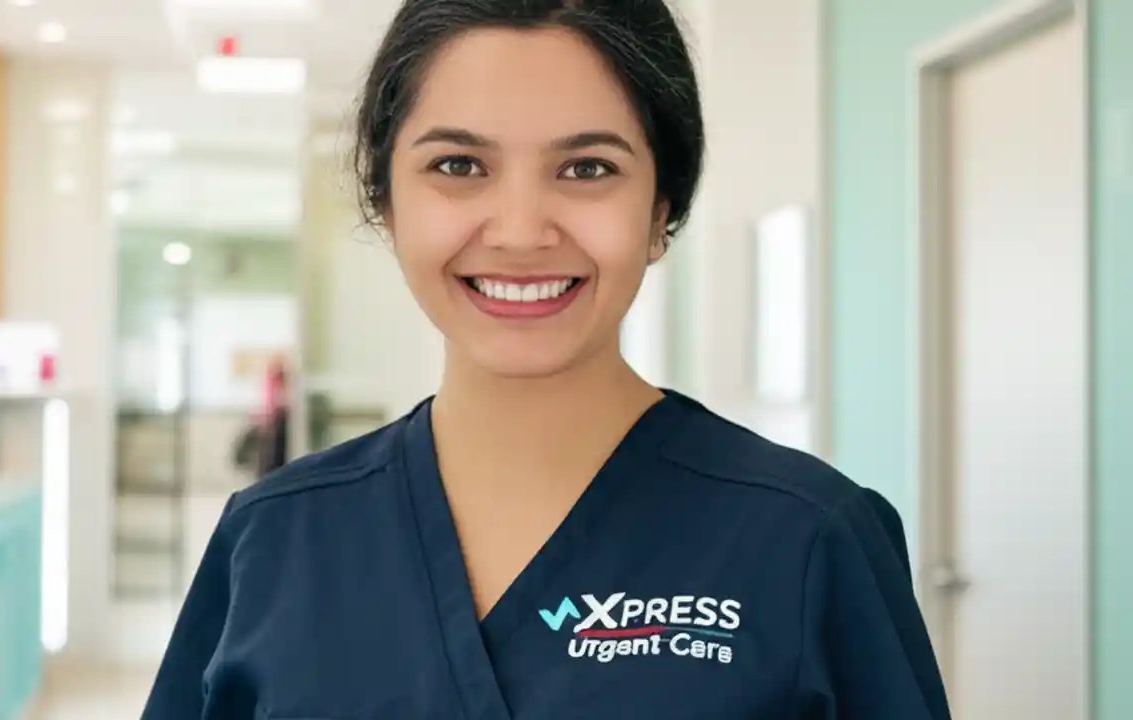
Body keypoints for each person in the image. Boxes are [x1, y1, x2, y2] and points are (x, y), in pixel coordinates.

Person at [141, 0, 951, 717]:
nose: (522, 230)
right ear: (385, 202)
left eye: (587, 168)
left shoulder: (808, 538)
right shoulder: (274, 541)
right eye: (458, 166)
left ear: (661, 206)